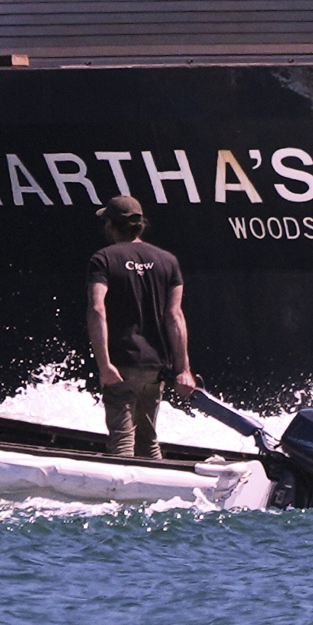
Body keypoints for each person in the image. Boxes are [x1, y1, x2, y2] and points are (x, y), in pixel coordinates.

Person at [86, 195, 196, 460]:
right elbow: (175, 316)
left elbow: (97, 309)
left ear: (111, 225)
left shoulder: (103, 259)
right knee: (147, 440)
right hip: (155, 367)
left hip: (121, 363)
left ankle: (126, 499)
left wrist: (104, 364)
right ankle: (158, 495)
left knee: (122, 442)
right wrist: (183, 370)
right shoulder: (168, 261)